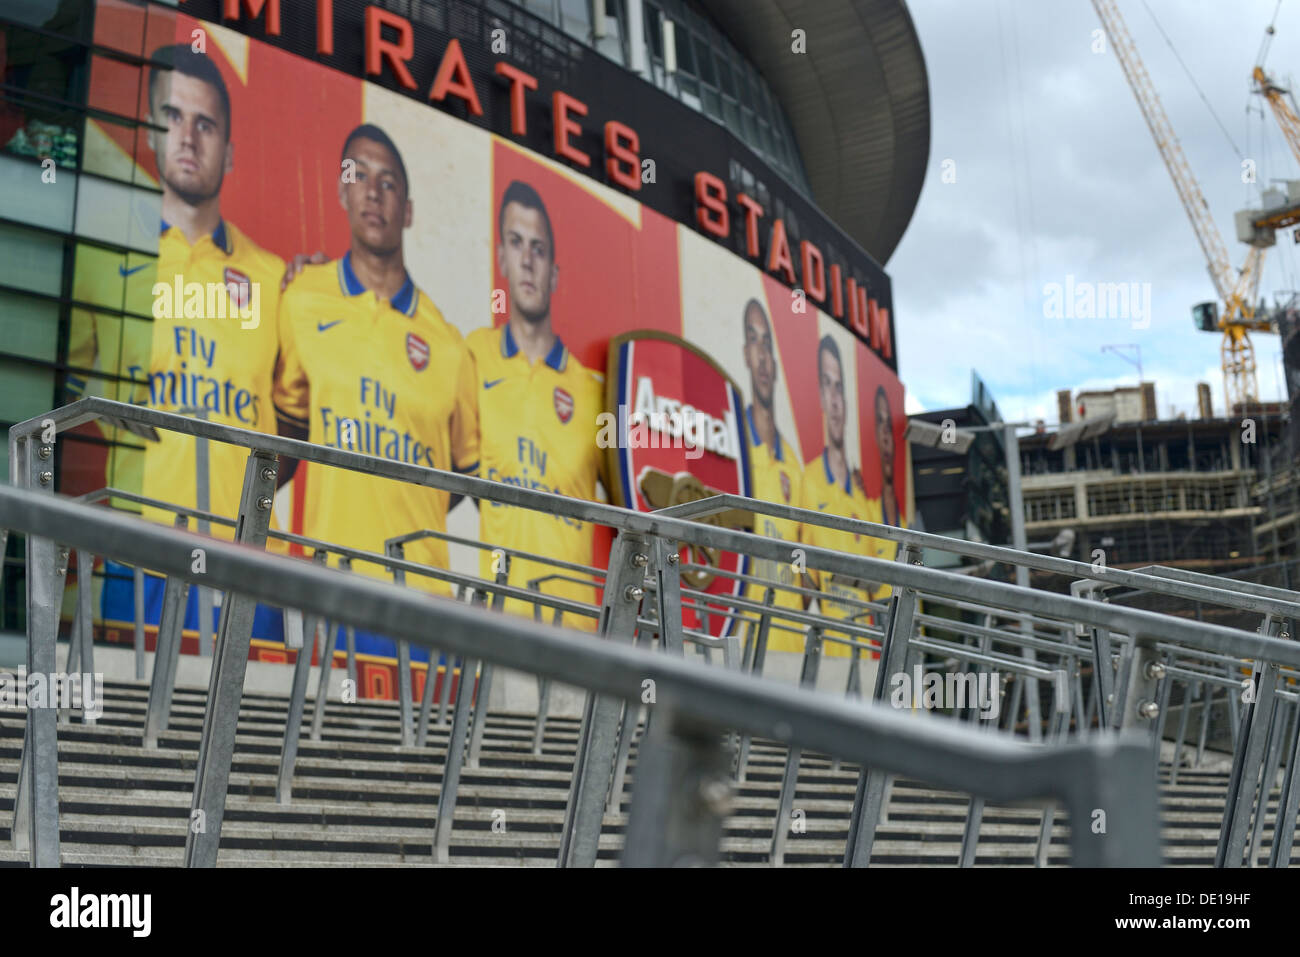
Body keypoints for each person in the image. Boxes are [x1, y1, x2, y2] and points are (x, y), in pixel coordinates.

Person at [77, 45, 288, 642]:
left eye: (206, 124)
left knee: (255, 728)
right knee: (123, 718)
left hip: (246, 559)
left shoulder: (276, 279)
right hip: (134, 551)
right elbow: (60, 388)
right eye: (172, 117)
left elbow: (299, 414)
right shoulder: (104, 254)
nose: (188, 137)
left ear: (230, 150)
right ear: (149, 130)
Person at [272, 124, 479, 602]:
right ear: (342, 193)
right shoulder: (302, 297)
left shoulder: (449, 345)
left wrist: (405, 503)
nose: (372, 192)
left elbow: (466, 478)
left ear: (407, 211)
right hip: (325, 587)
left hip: (426, 598)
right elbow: (284, 435)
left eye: (388, 182)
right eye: (358, 175)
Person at [465, 180, 606, 627]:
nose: (527, 260)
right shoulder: (470, 355)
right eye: (516, 243)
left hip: (577, 630)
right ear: (501, 257)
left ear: (555, 273)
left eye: (539, 249)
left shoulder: (595, 390)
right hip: (498, 626)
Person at [799, 335, 886, 655]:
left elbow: (880, 584)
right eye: (827, 385)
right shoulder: (805, 480)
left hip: (864, 655)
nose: (835, 399)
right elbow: (802, 572)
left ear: (846, 402)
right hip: (822, 653)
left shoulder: (862, 499)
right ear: (820, 397)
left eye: (840, 388)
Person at [738, 298, 805, 651]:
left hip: (791, 652)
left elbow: (808, 567)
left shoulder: (794, 465)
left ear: (776, 365)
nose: (762, 355)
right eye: (754, 340)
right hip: (740, 649)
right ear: (745, 354)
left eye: (768, 344)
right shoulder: (730, 442)